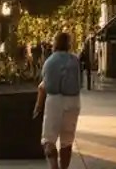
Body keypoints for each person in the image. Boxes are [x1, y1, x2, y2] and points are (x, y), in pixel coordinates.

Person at [33, 31, 83, 169]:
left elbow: (43, 86)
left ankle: (54, 166)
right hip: (73, 101)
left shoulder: (50, 62)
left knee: (48, 140)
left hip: (55, 100)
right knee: (67, 141)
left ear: (55, 43)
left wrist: (38, 106)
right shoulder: (75, 61)